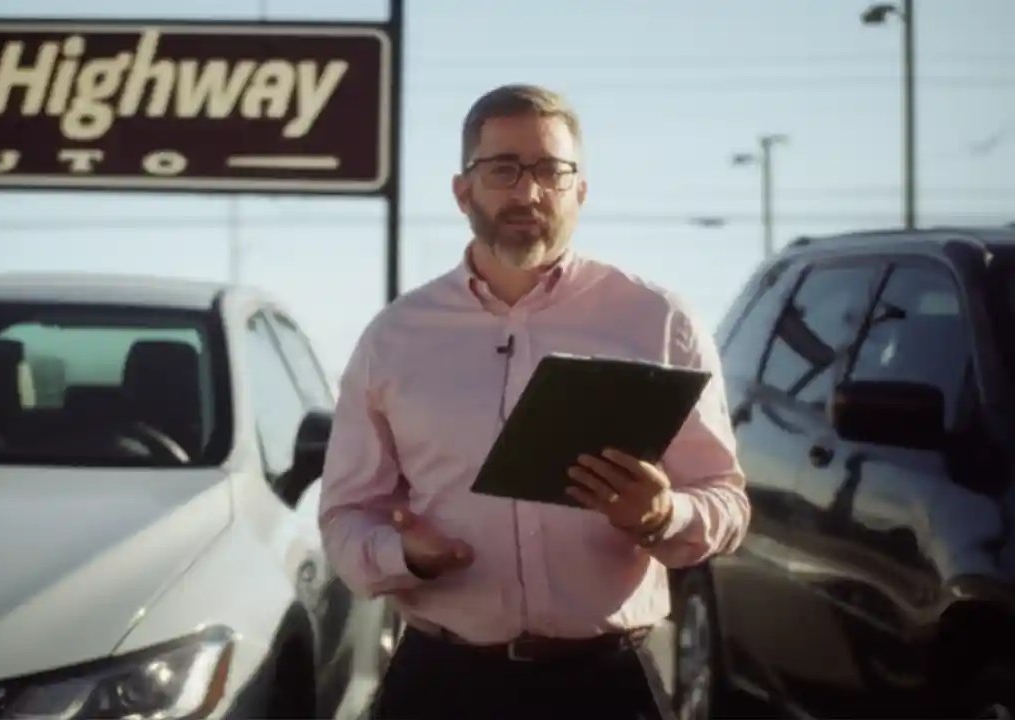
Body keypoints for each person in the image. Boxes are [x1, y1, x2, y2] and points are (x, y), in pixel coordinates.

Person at [317, 83, 751, 720]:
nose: (527, 192)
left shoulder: (658, 322)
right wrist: (405, 556)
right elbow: (345, 516)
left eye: (551, 170)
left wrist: (661, 514)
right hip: (440, 683)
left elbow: (727, 502)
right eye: (503, 170)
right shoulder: (396, 338)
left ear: (581, 189)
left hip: (606, 685)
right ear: (464, 191)